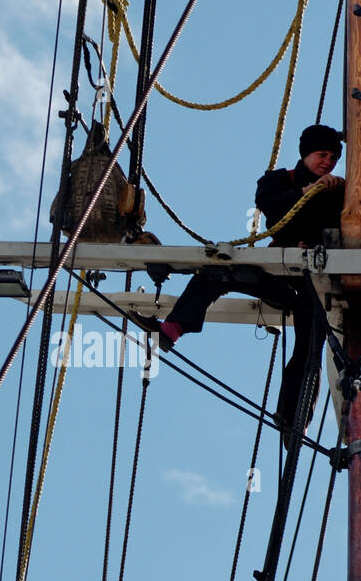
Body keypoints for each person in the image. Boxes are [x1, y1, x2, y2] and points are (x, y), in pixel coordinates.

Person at [131, 125, 345, 429]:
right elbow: (269, 205)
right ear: (306, 154)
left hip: (315, 285)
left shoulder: (341, 190)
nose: (328, 162)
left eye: (334, 157)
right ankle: (174, 328)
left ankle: (294, 420)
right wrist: (307, 192)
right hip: (281, 277)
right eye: (322, 155)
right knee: (217, 271)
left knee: (309, 348)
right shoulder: (279, 181)